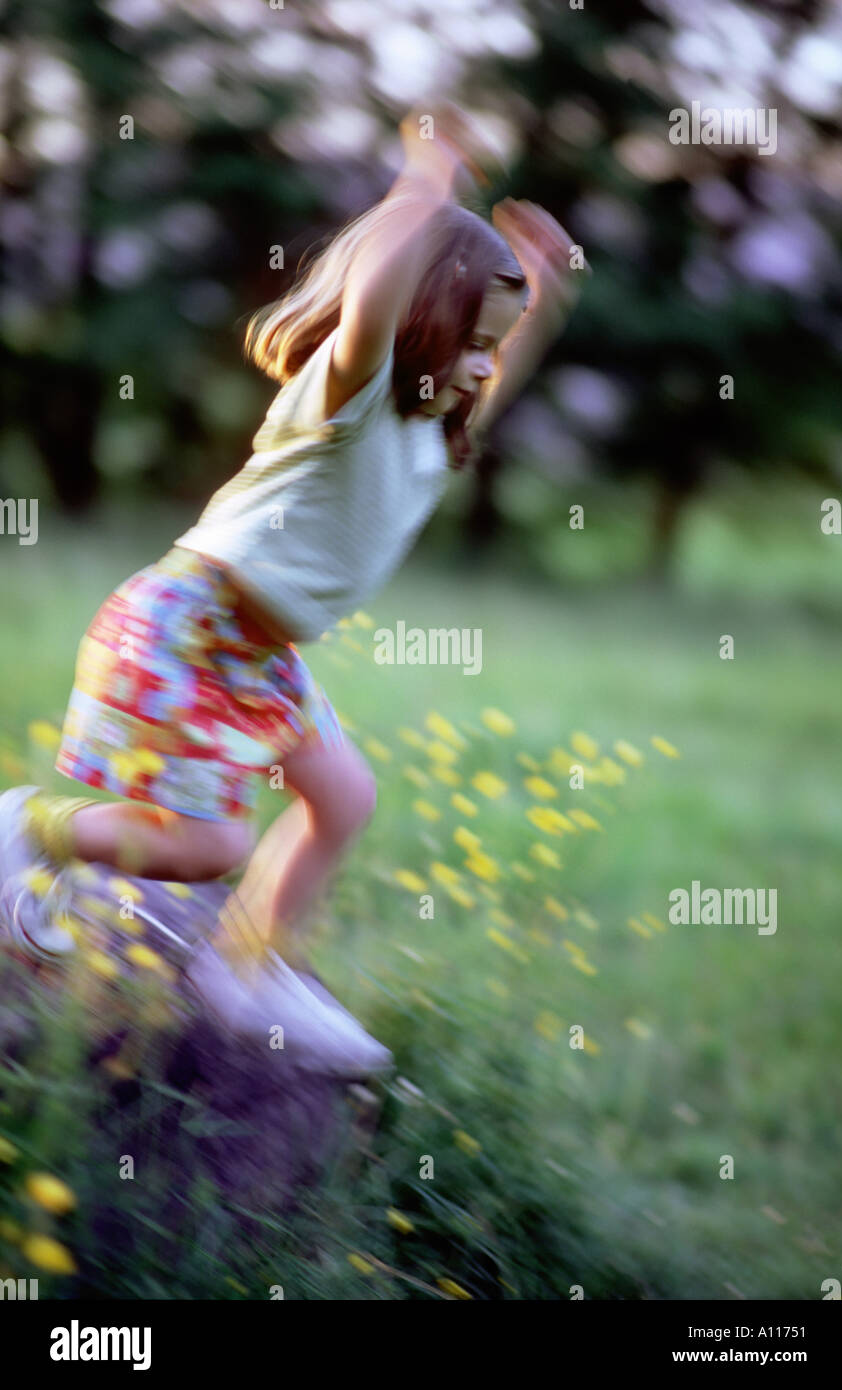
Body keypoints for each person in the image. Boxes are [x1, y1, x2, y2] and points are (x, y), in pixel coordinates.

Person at [0, 103, 582, 1076]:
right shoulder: (347, 397)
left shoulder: (429, 435)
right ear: (418, 324)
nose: (484, 364)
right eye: (471, 341)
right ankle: (28, 827)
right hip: (185, 626)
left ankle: (248, 965)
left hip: (256, 655)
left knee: (343, 799)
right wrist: (423, 189)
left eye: (494, 344)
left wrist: (546, 293)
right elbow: (375, 296)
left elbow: (500, 369)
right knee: (206, 845)